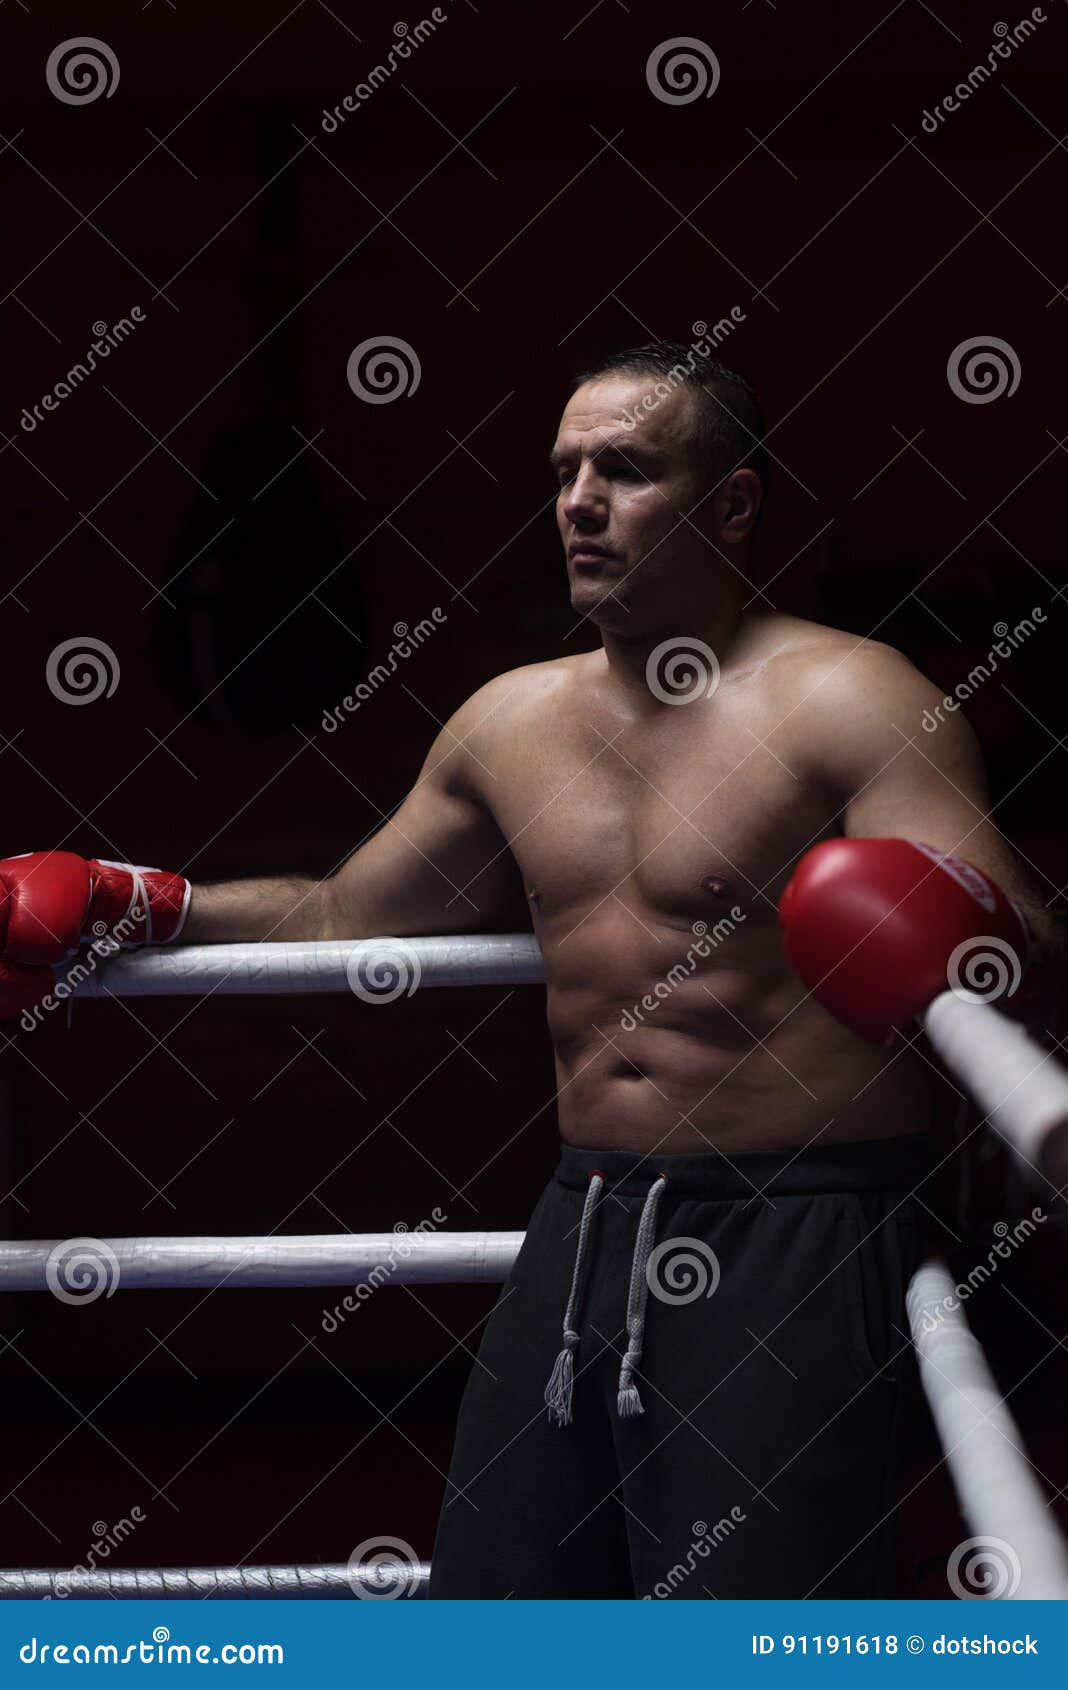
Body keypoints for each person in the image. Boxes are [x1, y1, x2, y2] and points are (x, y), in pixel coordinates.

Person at [0, 343, 1059, 1598]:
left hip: (802, 1224)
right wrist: (144, 905)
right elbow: (350, 911)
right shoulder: (510, 721)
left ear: (731, 503)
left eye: (625, 468)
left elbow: (1016, 953)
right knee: (497, 1610)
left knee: (754, 1628)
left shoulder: (851, 697)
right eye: (564, 472)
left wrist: (954, 917)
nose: (580, 501)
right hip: (583, 1216)